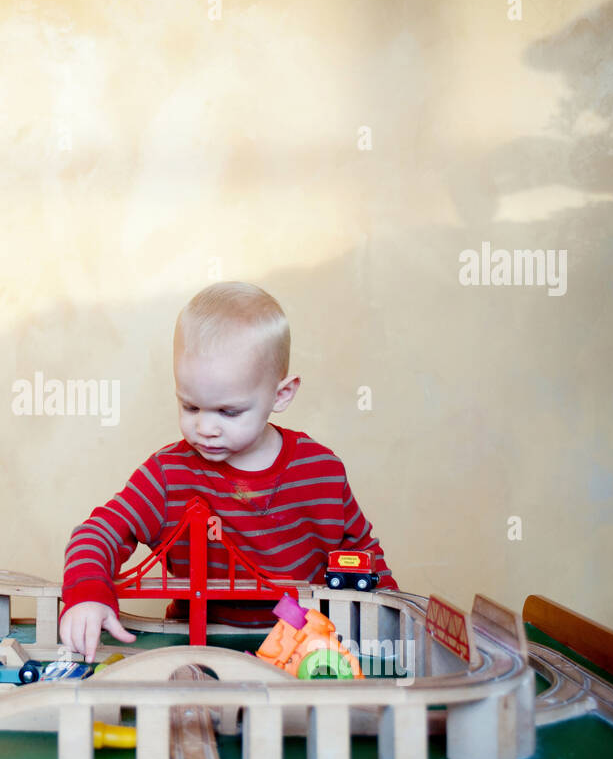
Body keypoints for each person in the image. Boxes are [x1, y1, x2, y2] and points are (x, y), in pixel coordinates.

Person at [59, 281, 397, 661]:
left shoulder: (321, 471)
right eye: (190, 407)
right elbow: (100, 531)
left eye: (229, 412)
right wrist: (87, 593)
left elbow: (364, 558)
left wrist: (388, 632)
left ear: (280, 395)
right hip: (199, 648)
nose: (206, 427)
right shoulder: (169, 475)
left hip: (301, 645)